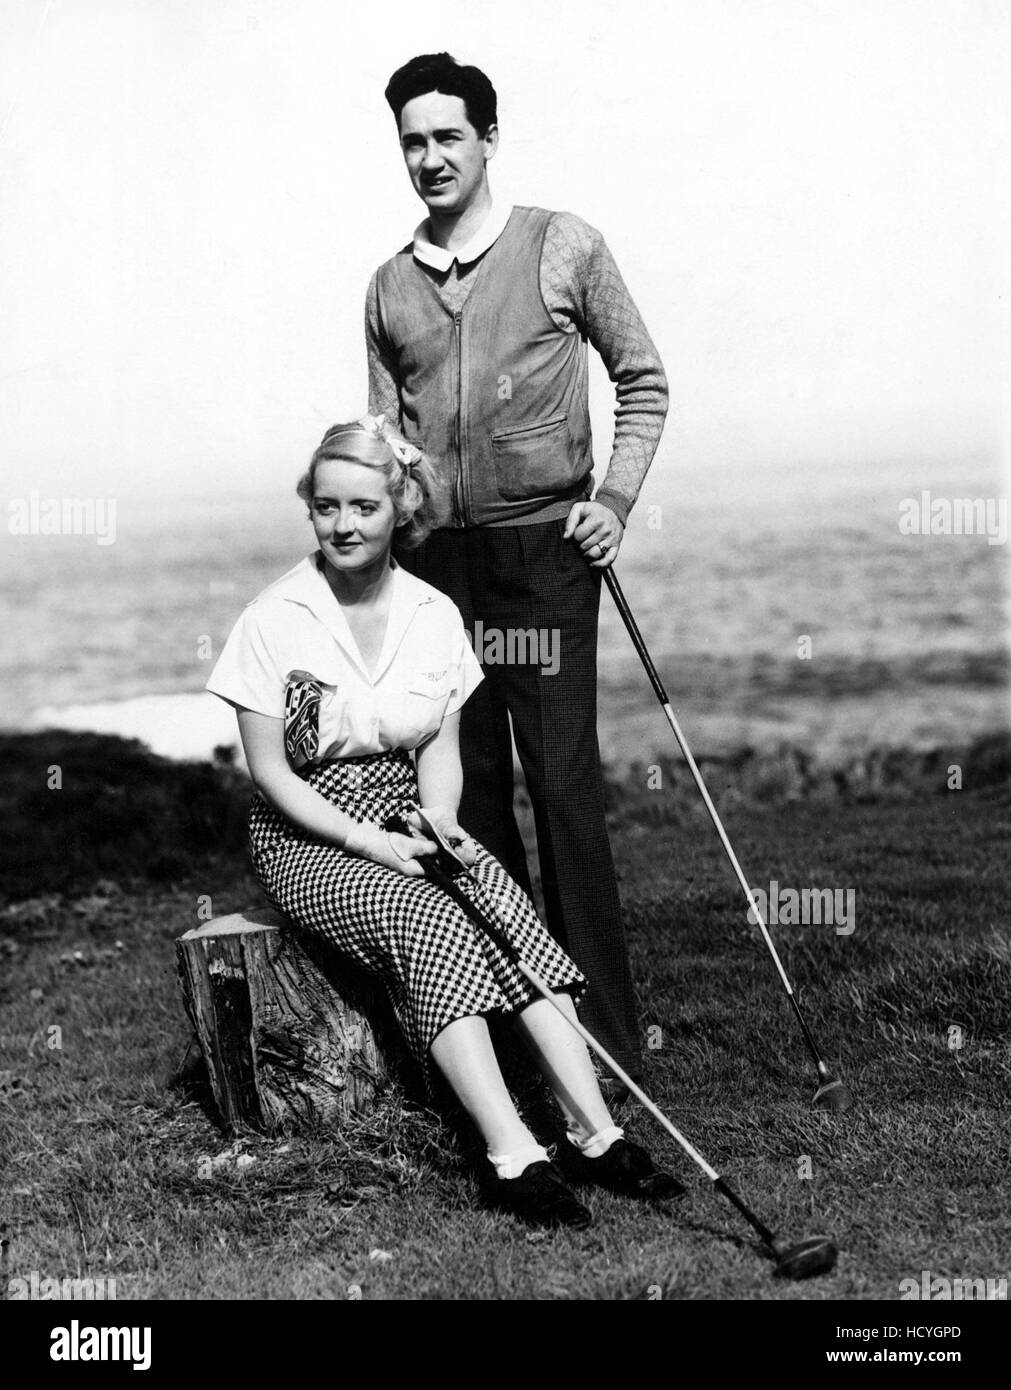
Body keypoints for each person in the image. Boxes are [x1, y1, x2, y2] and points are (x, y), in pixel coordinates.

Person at [205, 416, 681, 1229]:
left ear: (401, 508)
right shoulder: (273, 617)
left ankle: (593, 1134)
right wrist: (369, 843)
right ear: (309, 511)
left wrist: (441, 819)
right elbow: (272, 774)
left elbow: (436, 748)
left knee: (502, 908)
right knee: (429, 921)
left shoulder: (432, 612)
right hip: (311, 834)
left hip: (409, 811)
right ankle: (509, 1154)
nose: (343, 525)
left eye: (362, 506)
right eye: (325, 507)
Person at [366, 53, 669, 1091]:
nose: (431, 157)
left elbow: (644, 380)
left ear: (489, 138)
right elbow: (385, 441)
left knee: (565, 795)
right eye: (413, 140)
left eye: (449, 136)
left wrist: (613, 502)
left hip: (546, 560)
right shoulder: (388, 288)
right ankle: (517, 1060)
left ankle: (614, 1058)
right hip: (440, 572)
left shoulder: (561, 243)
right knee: (469, 807)